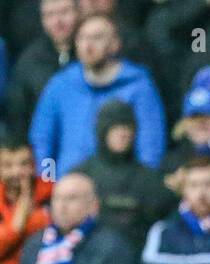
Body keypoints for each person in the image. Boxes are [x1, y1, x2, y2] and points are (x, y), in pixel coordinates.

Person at [29, 14, 166, 174]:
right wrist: (48, 182)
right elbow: (43, 140)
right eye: (82, 38)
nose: (87, 45)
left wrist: (141, 185)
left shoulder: (138, 84)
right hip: (68, 187)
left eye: (97, 38)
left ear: (115, 44)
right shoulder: (61, 84)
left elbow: (150, 144)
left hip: (119, 189)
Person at [73, 100, 173, 251]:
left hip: (137, 257)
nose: (123, 134)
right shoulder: (81, 177)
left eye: (128, 128)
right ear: (102, 131)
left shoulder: (149, 179)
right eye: (115, 128)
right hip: (89, 259)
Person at [5, 0, 78, 140]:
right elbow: (17, 114)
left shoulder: (94, 55)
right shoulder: (29, 61)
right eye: (49, 15)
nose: (58, 21)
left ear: (79, 11)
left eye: (64, 12)